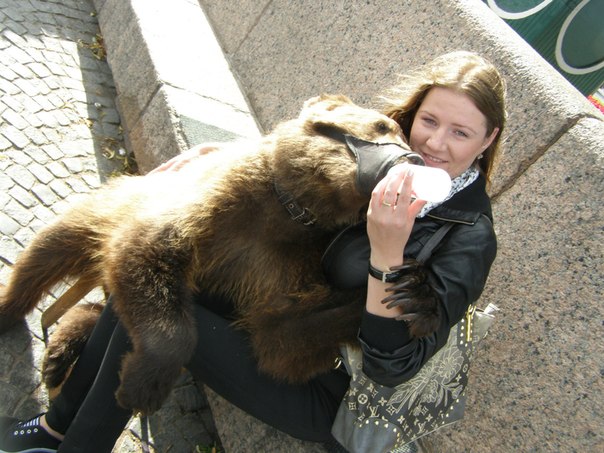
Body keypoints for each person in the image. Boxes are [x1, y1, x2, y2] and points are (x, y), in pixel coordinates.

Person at [0, 50, 506, 453]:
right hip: (277, 311)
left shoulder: (470, 238)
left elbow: (391, 366)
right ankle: (57, 430)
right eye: (430, 120)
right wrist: (222, 154)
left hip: (329, 386)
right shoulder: (395, 147)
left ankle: (67, 440)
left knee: (169, 319)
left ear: (487, 142)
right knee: (158, 272)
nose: (435, 142)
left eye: (460, 133)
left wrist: (387, 256)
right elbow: (309, 152)